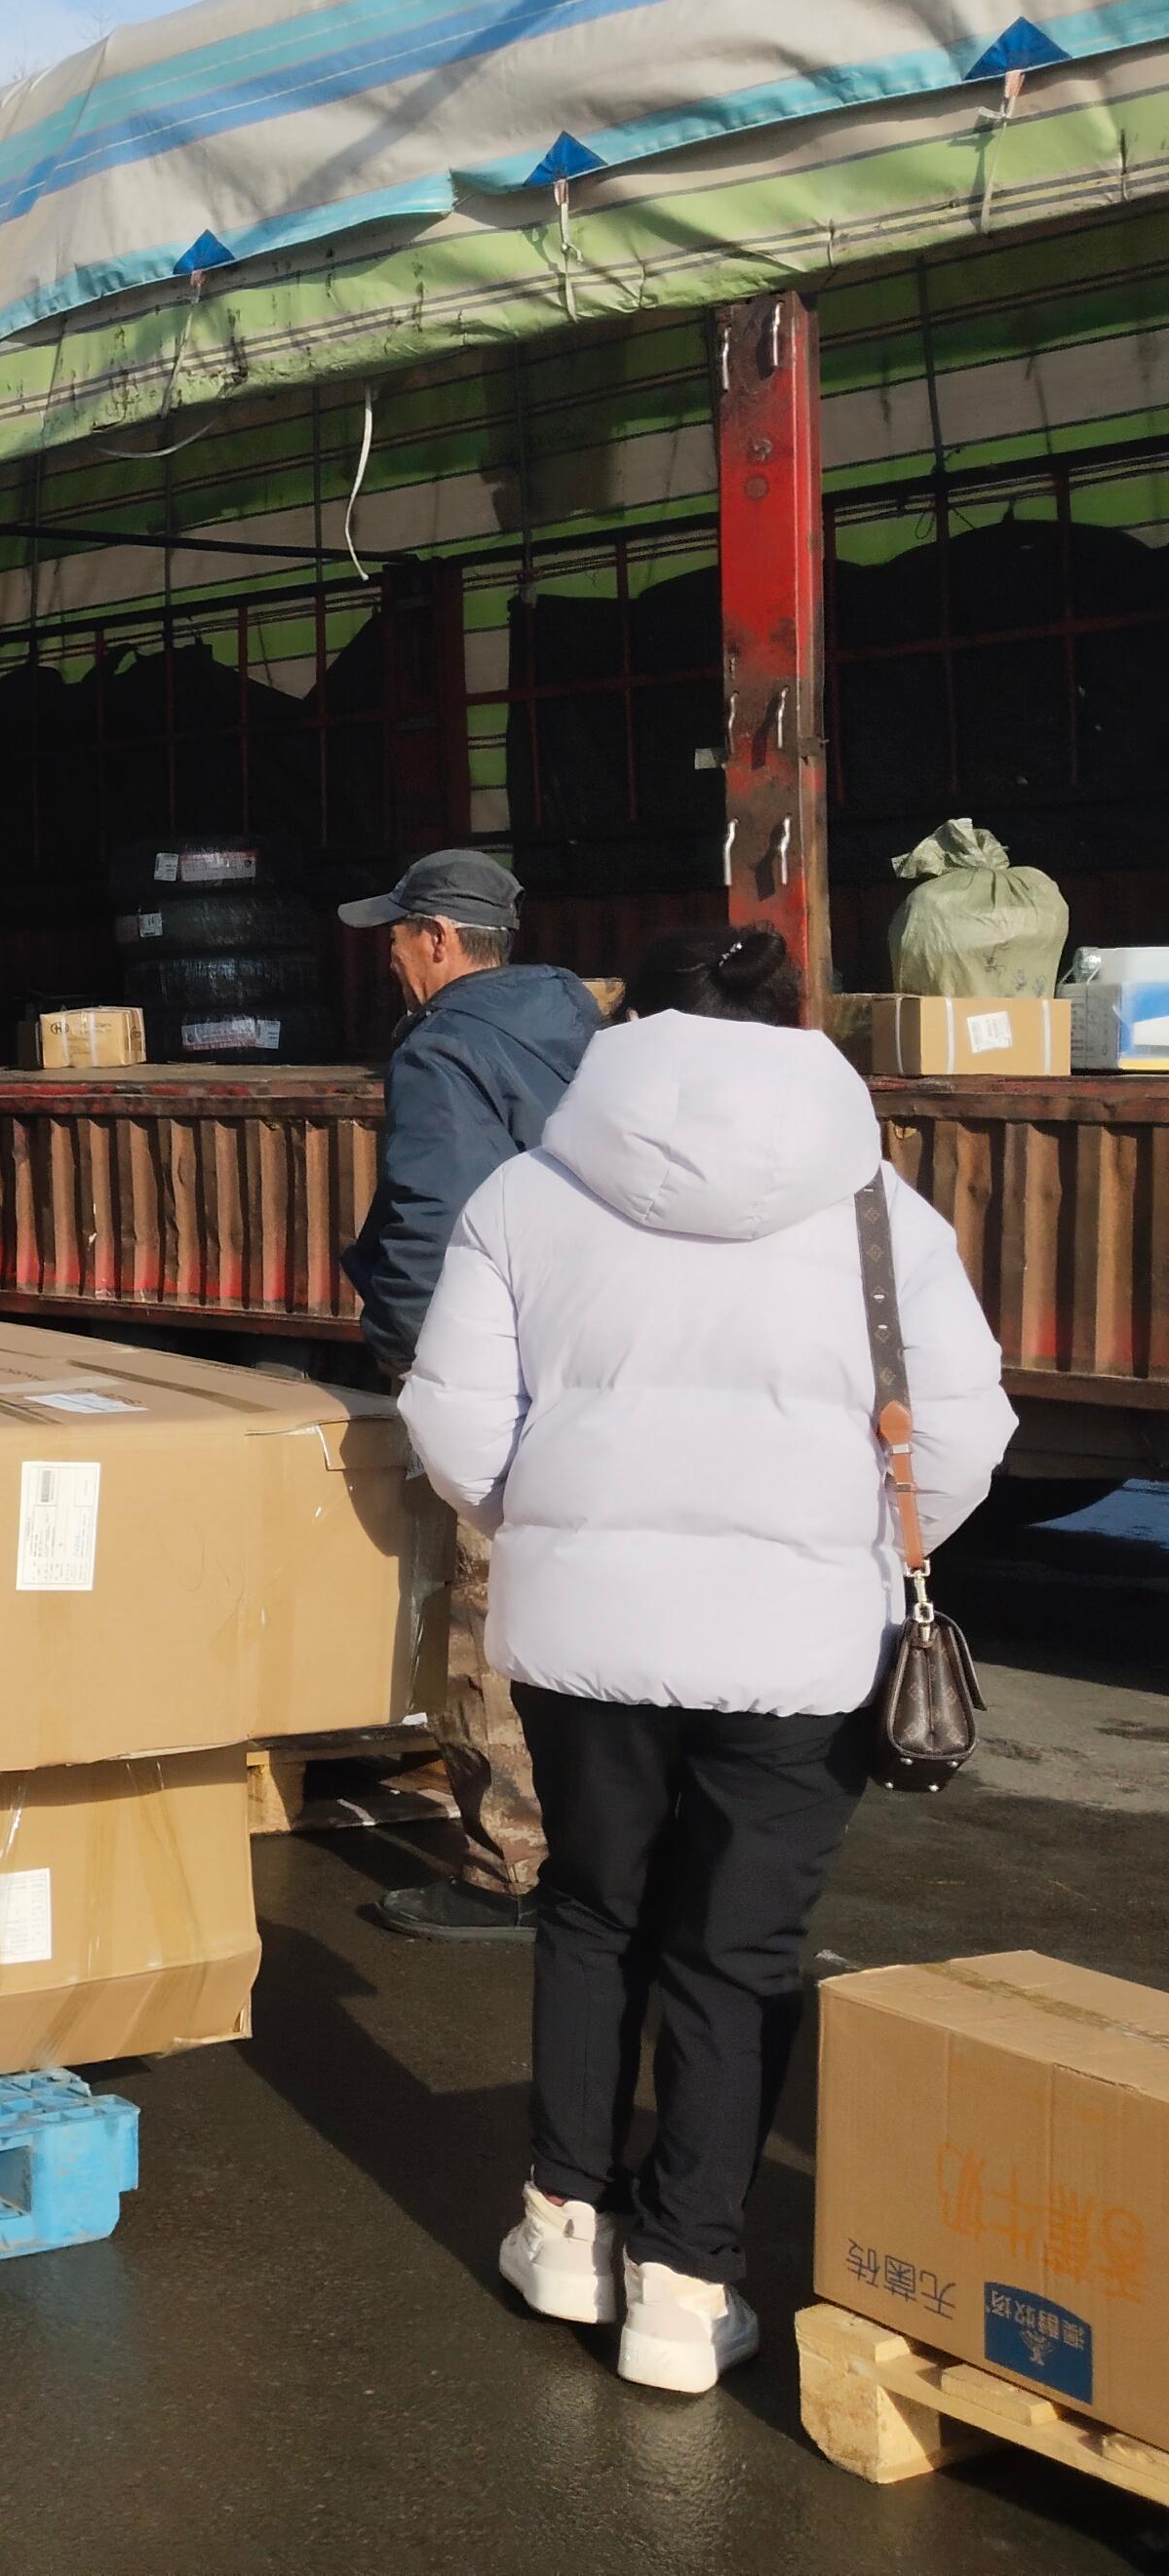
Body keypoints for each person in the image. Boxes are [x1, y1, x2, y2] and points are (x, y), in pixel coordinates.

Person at [402, 923, 1006, 2393]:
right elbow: (965, 1433)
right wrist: (844, 1548)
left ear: (635, 1026)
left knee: (593, 1912)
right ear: (799, 1029)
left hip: (583, 1640)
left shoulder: (527, 1193)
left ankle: (564, 2227)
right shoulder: (883, 1215)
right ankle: (683, 2285)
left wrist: (556, 1528)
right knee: (737, 1953)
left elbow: (452, 1419)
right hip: (800, 1656)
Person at [332, 847, 604, 1944]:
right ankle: (607, 1845)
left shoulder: (444, 1045)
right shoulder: (580, 1032)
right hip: (585, 1354)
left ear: (440, 939)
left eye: (398, 936)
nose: (390, 958)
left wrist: (409, 1354)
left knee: (486, 1618)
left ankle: (511, 1871)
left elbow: (429, 1218)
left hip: (493, 1359)